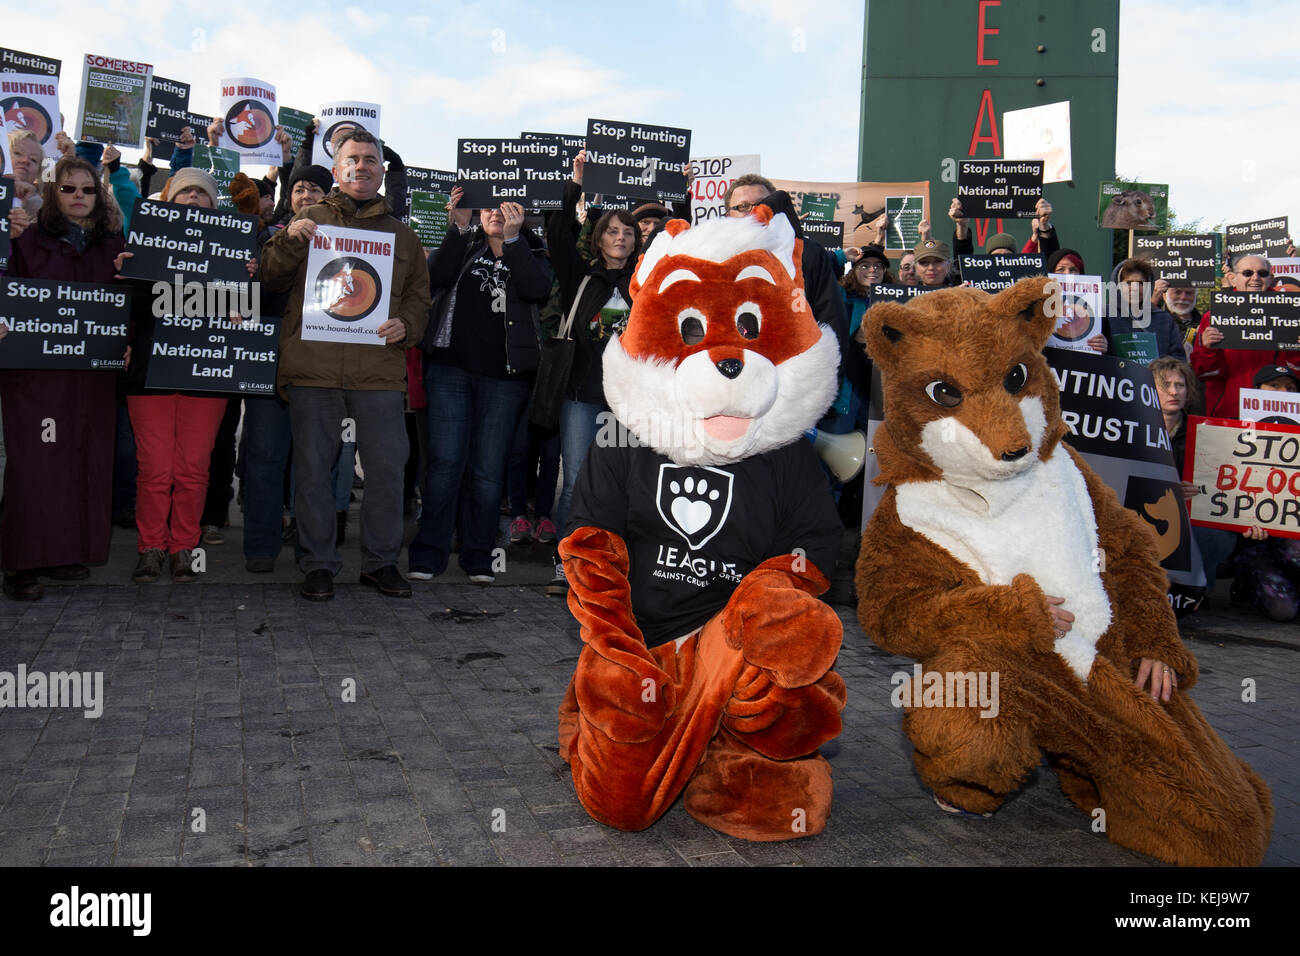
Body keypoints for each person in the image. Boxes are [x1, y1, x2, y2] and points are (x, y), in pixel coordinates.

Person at [261, 129, 430, 600]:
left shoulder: (403, 235)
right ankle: (317, 564)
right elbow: (270, 277)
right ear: (337, 170)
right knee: (314, 470)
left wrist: (407, 325)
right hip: (314, 369)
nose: (362, 166)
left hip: (378, 370)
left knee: (387, 470)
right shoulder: (306, 219)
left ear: (381, 170)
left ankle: (380, 563)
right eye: (352, 159)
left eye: (371, 160)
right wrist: (292, 238)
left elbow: (420, 298)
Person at [115, 168, 255, 584]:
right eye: (185, 192)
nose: (193, 198)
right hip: (150, 373)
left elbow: (243, 320)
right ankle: (151, 548)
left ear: (214, 205)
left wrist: (246, 282)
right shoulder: (143, 248)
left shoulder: (234, 257)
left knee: (193, 469)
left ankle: (184, 550)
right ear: (170, 200)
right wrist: (124, 274)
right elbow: (128, 312)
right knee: (155, 469)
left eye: (202, 193)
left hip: (204, 373)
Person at [0, 157, 127, 600]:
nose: (78, 196)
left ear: (98, 196)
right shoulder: (27, 241)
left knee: (83, 462)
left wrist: (127, 339)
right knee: (36, 467)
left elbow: (132, 304)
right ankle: (20, 561)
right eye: (69, 189)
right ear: (53, 192)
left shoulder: (114, 247)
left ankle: (64, 552)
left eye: (87, 189)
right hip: (37, 378)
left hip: (92, 378)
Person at [409, 186, 550, 585]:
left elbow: (536, 289)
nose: (496, 212)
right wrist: (457, 228)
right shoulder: (465, 243)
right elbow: (434, 276)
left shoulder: (532, 250)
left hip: (505, 379)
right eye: (490, 205)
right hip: (450, 371)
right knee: (444, 465)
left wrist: (513, 241)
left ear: (520, 212)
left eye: (507, 207)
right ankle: (428, 553)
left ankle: (478, 556)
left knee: (488, 471)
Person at [535, 150, 639, 596]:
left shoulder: (646, 281)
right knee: (576, 478)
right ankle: (568, 567)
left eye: (627, 231)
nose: (619, 237)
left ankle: (616, 568)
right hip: (582, 393)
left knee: (628, 484)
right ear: (598, 240)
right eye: (611, 231)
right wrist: (574, 183)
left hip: (632, 401)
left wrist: (687, 197)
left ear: (636, 241)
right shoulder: (580, 275)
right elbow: (558, 231)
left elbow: (682, 247)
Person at [1191, 253, 1300, 417]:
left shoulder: (1291, 313)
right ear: (1232, 278)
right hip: (1228, 413)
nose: (1255, 278)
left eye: (1262, 273)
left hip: (1277, 411)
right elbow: (1203, 373)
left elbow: (1296, 374)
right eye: (1248, 273)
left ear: (1271, 278)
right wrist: (1209, 350)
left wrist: (1296, 349)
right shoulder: (1214, 316)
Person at [1105, 258, 1185, 360]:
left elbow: (1178, 359)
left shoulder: (1164, 320)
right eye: (1128, 283)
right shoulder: (1105, 316)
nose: (1134, 288)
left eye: (1140, 283)